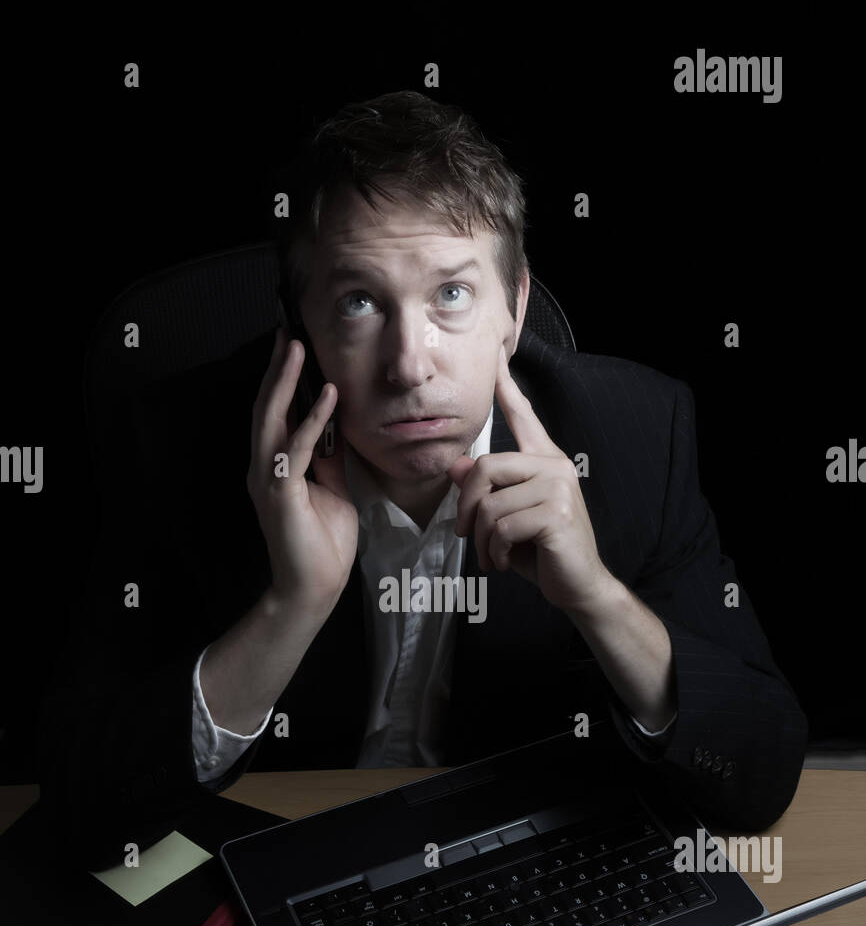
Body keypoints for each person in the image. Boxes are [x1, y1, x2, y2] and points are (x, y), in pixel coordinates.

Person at [37, 90, 808, 871]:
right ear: (298, 325)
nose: (410, 364)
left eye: (451, 294)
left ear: (514, 307)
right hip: (282, 874)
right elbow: (78, 807)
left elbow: (757, 778)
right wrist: (288, 609)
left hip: (516, 875)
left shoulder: (637, 434)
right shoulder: (179, 441)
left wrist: (597, 597)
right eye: (360, 302)